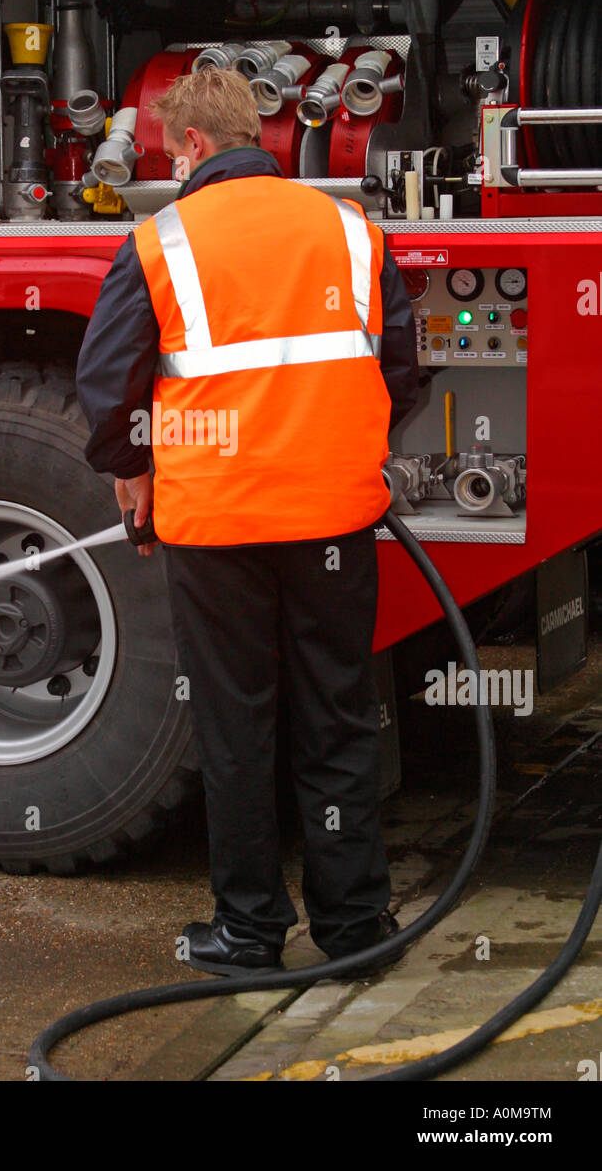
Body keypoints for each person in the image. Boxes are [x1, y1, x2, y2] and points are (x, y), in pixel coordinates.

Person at [75, 66, 419, 976]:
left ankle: (250, 933)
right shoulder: (352, 232)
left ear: (189, 146)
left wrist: (133, 470)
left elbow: (108, 392)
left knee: (236, 726)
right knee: (339, 720)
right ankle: (355, 932)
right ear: (257, 141)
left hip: (217, 529)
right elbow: (404, 370)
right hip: (335, 525)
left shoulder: (160, 244)